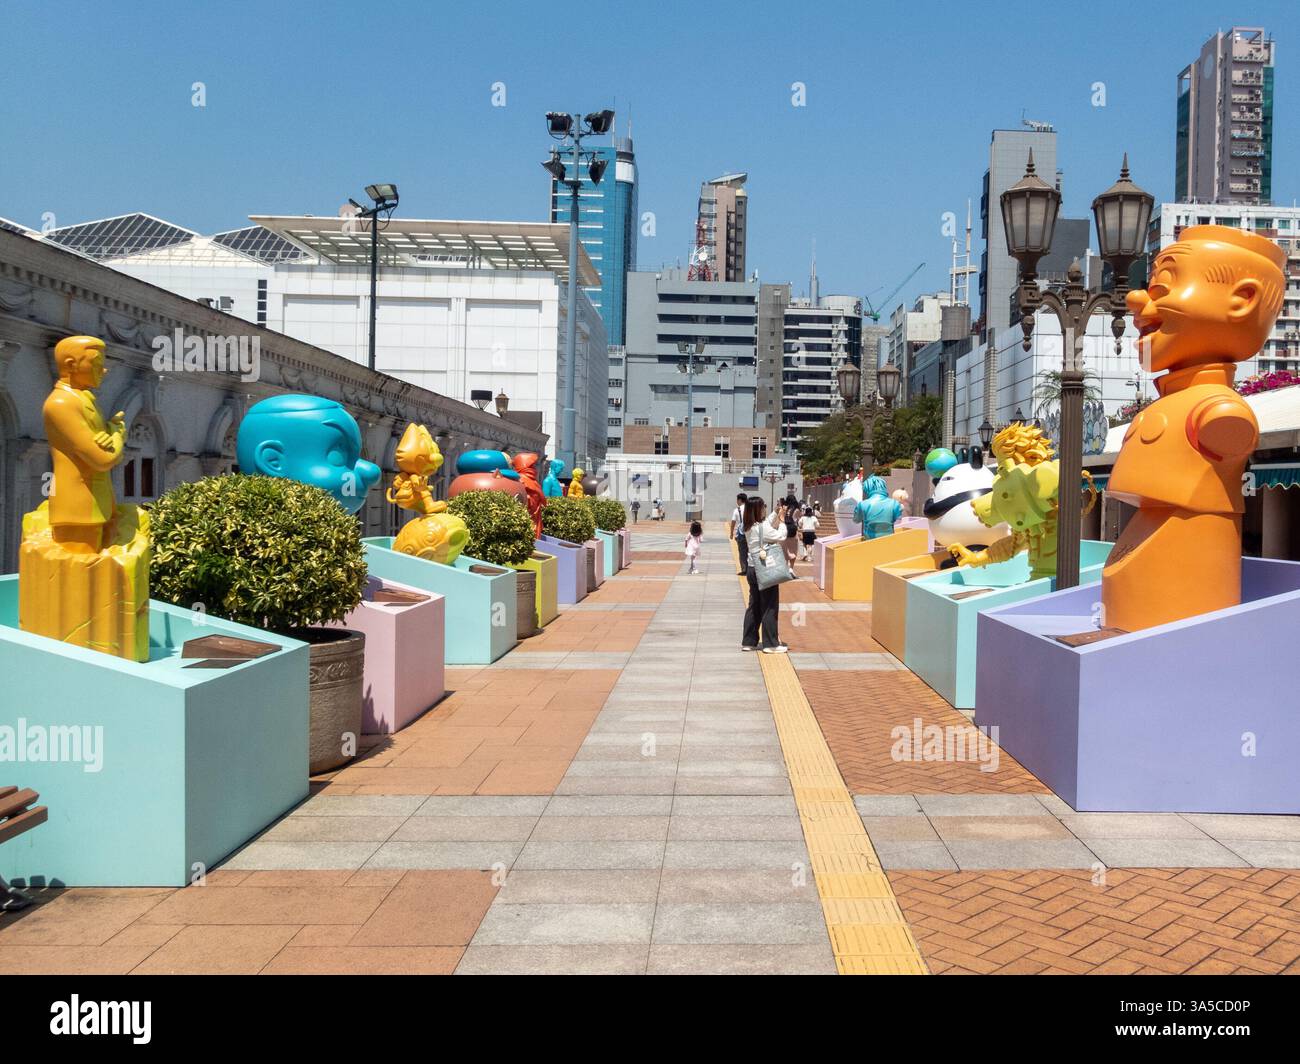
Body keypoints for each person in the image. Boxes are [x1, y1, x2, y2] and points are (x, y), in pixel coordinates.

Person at [741, 497, 788, 653]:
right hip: (765, 570)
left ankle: (749, 641)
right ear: (757, 509)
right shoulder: (761, 528)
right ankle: (771, 644)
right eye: (763, 507)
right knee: (769, 606)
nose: (764, 509)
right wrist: (782, 521)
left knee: (754, 606)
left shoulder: (747, 526)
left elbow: (765, 524)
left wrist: (776, 512)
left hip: (752, 569)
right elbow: (781, 536)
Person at [729, 492, 749, 576]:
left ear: (740, 500)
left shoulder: (737, 510)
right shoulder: (750, 508)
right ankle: (752, 569)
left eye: (737, 500)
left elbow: (733, 522)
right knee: (751, 551)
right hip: (750, 532)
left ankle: (744, 570)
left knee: (742, 552)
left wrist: (731, 533)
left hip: (741, 534)